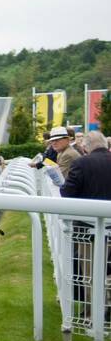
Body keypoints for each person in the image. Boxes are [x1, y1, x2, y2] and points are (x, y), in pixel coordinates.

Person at [61, 130, 111, 320]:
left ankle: (94, 315)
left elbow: (67, 193)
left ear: (86, 147)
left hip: (87, 229)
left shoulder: (81, 163)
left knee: (91, 273)